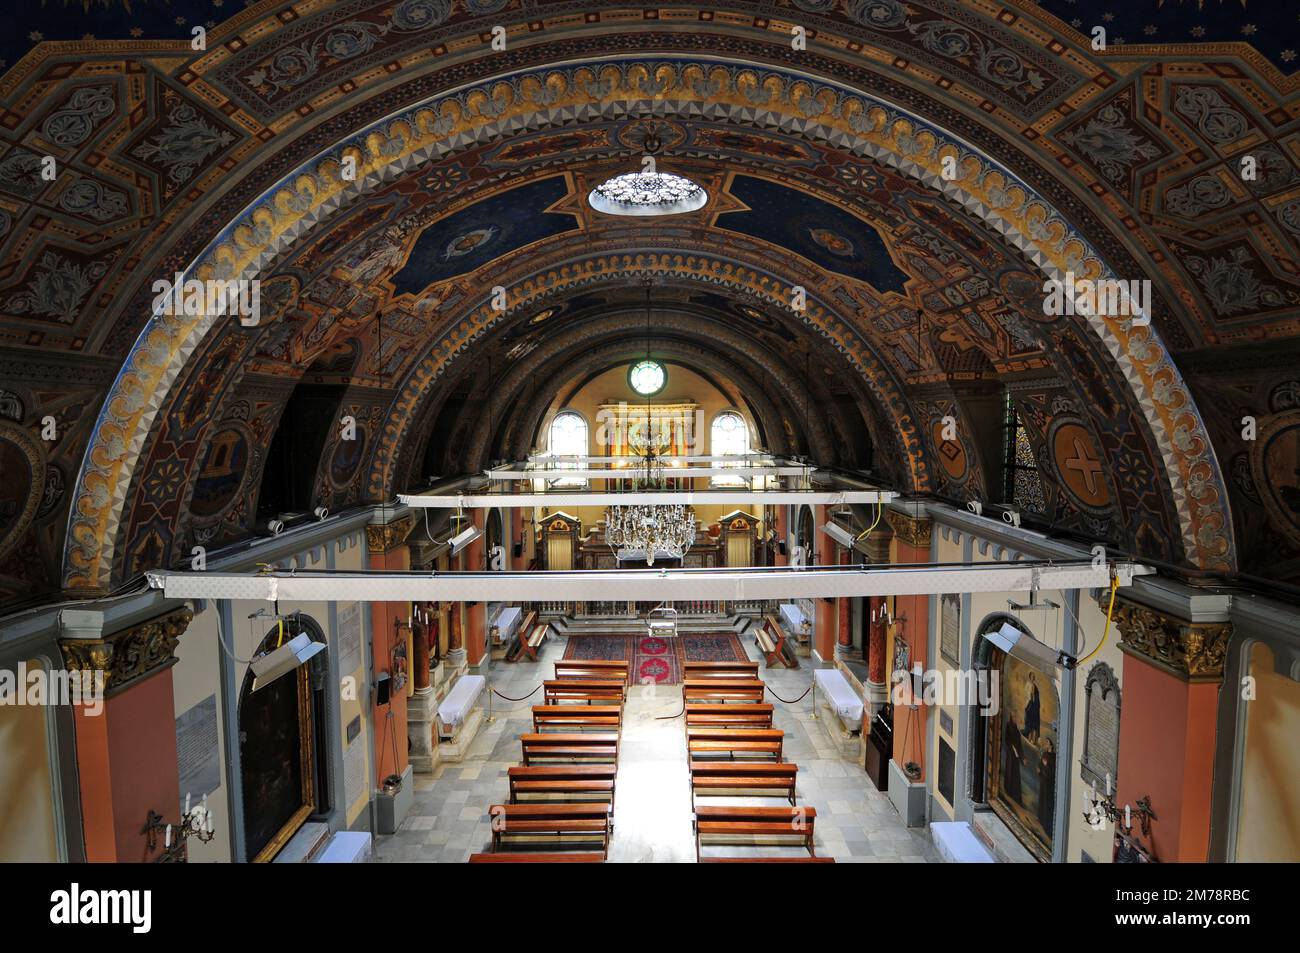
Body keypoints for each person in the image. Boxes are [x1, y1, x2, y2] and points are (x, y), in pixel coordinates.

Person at [1002, 715, 1023, 803]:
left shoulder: (1016, 728)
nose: (1016, 719)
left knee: (1015, 774)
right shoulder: (1009, 726)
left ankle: (1015, 794)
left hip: (1016, 755)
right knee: (1010, 772)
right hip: (1011, 754)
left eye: (1016, 717)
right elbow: (1007, 739)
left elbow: (1019, 743)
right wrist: (1013, 748)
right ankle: (1009, 790)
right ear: (1012, 717)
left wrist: (1022, 756)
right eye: (1014, 717)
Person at [1037, 737, 1056, 832]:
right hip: (1043, 781)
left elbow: (1053, 771)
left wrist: (1045, 765)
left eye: (1047, 742)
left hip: (1049, 784)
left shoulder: (1053, 757)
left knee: (1047, 802)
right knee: (1042, 799)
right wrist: (1040, 768)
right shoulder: (1044, 753)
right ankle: (1040, 818)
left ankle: (1045, 822)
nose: (1046, 744)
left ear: (1051, 745)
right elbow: (1041, 763)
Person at [1023, 672, 1041, 743]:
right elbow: (1027, 694)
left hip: (1034, 706)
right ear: (1030, 677)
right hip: (1030, 705)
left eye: (1034, 676)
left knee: (1034, 723)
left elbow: (1036, 696)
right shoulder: (1028, 684)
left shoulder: (1035, 686)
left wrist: (1035, 704)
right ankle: (1029, 738)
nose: (1033, 677)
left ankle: (1033, 740)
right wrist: (1029, 702)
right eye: (1032, 676)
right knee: (1029, 722)